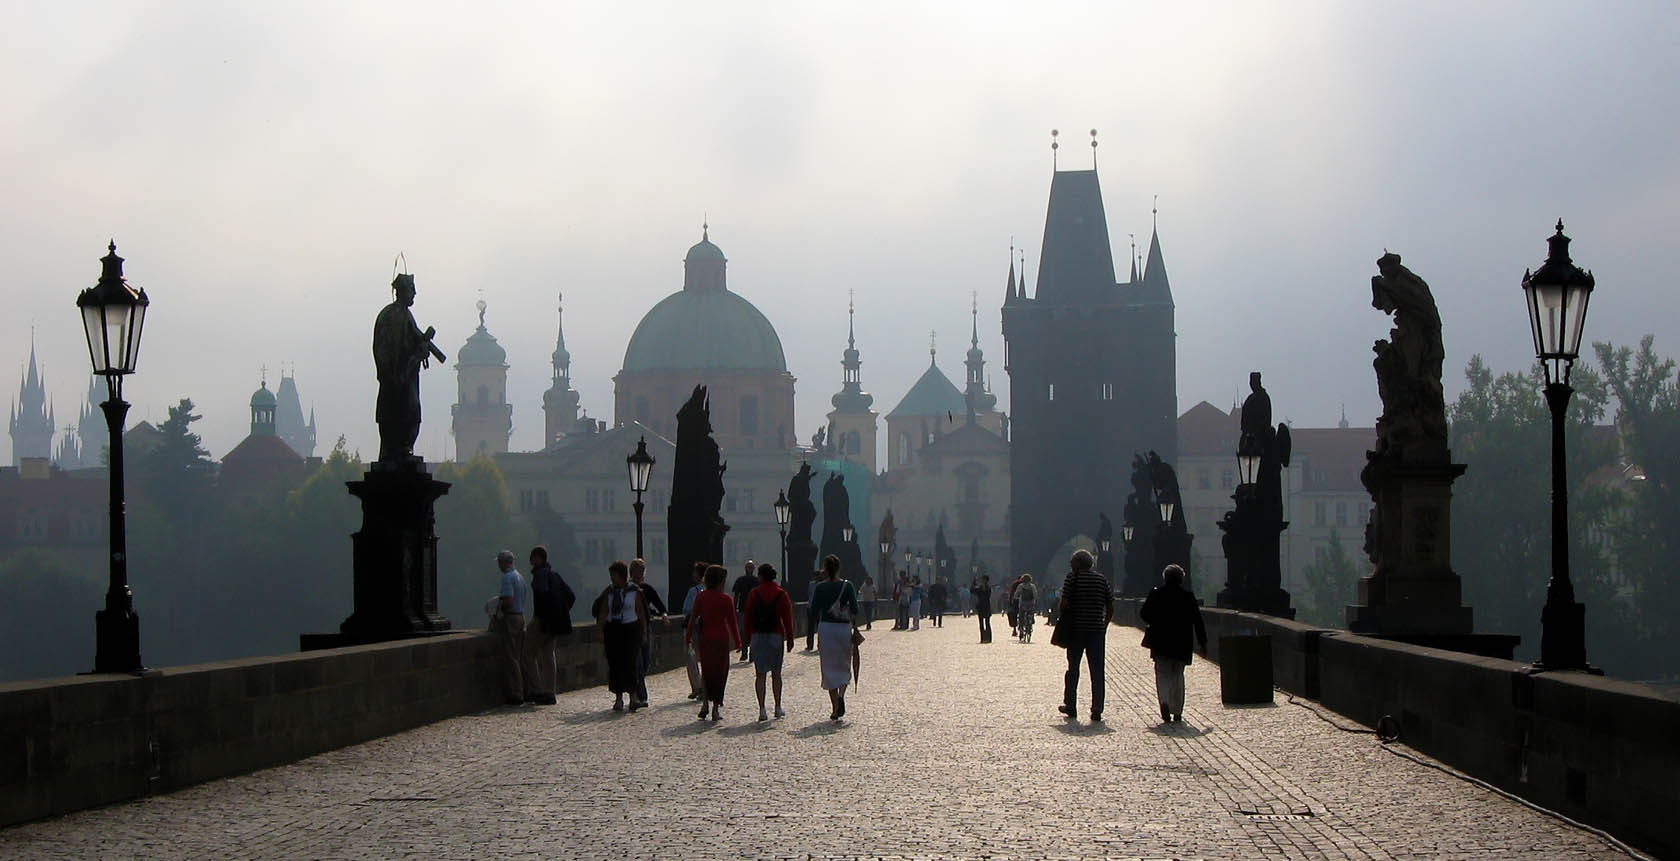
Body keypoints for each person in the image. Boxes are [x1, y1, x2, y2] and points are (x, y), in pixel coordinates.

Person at [1138, 564, 1208, 724]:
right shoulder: (1188, 596)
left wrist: (1155, 622)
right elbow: (1198, 621)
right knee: (1177, 676)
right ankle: (1177, 711)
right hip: (1181, 642)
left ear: (1165, 578)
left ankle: (1164, 701)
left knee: (1162, 674)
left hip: (1160, 641)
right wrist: (1203, 643)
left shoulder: (1156, 594)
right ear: (1181, 579)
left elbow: (1143, 614)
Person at [1057, 549, 1113, 722]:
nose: (1070, 564)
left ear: (1078, 563)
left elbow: (1064, 603)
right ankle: (1097, 708)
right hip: (1096, 631)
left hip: (1076, 630)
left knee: (1073, 668)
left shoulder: (1072, 578)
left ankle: (1071, 705)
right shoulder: (1101, 580)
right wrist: (1104, 625)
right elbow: (1110, 606)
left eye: (1072, 561)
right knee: (1097, 671)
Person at [807, 554, 860, 720]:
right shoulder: (847, 585)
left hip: (827, 628)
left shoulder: (820, 587)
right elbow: (856, 609)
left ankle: (835, 708)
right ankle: (842, 695)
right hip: (844, 628)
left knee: (829, 667)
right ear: (838, 568)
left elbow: (814, 610)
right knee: (844, 665)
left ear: (825, 568)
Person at [687, 564, 741, 721]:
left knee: (707, 671)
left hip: (706, 639)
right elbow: (732, 623)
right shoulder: (726, 599)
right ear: (720, 582)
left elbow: (693, 618)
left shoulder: (701, 597)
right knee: (720, 673)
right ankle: (716, 708)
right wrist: (738, 642)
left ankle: (705, 703)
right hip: (721, 640)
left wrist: (688, 635)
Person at [741, 563, 795, 721]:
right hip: (775, 635)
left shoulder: (754, 593)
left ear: (761, 576)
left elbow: (748, 617)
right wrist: (790, 638)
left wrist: (747, 637)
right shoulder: (781, 593)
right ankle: (778, 707)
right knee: (776, 674)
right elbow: (787, 618)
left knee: (760, 674)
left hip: (758, 635)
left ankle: (762, 709)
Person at [594, 561, 647, 712]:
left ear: (622, 576)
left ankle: (633, 697)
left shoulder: (634, 591)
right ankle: (618, 698)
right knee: (615, 664)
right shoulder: (609, 592)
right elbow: (604, 611)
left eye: (614, 575)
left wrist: (644, 632)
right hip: (613, 629)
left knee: (630, 662)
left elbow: (640, 612)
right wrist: (600, 630)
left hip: (630, 628)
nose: (612, 579)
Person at [527, 545, 574, 705]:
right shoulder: (555, 575)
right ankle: (550, 691)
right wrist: (560, 613)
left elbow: (542, 596)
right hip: (555, 623)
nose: (530, 562)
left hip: (542, 622)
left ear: (538, 558)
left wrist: (541, 617)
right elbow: (571, 596)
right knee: (548, 655)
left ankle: (537, 690)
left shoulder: (540, 575)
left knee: (528, 655)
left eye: (532, 558)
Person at [492, 550, 530, 705]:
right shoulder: (520, 577)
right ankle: (525, 690)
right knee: (519, 656)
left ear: (503, 562)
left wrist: (499, 608)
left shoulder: (507, 578)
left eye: (499, 562)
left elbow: (508, 601)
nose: (498, 565)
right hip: (521, 616)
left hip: (511, 618)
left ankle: (516, 693)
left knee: (511, 657)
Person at [629, 558, 667, 709]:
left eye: (641, 572)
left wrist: (662, 614)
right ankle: (641, 696)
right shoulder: (627, 589)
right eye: (637, 572)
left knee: (645, 662)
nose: (640, 575)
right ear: (632, 573)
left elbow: (660, 606)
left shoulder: (647, 589)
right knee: (638, 663)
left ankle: (635, 691)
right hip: (631, 629)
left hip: (646, 629)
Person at [680, 561, 706, 699]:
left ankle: (697, 687)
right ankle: (706, 685)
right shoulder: (711, 590)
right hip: (706, 626)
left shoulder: (693, 591)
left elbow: (686, 609)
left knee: (692, 658)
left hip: (693, 626)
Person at [732, 560, 757, 661]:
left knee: (746, 632)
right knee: (745, 632)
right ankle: (747, 653)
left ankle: (748, 653)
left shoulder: (741, 580)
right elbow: (736, 596)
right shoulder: (756, 581)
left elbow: (736, 595)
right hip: (746, 609)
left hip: (750, 610)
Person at [1014, 573, 1037, 644]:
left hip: (1023, 604)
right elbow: (1035, 594)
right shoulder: (1032, 586)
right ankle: (1031, 621)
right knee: (1030, 613)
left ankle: (1021, 629)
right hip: (1031, 604)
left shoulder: (1020, 586)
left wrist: (1016, 598)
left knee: (1021, 616)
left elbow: (1016, 594)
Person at [970, 576, 993, 643]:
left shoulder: (988, 588)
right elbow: (972, 591)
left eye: (983, 580)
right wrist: (973, 583)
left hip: (986, 607)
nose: (982, 581)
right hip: (980, 608)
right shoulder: (980, 588)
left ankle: (989, 638)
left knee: (987, 623)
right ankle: (982, 638)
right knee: (981, 624)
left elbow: (987, 595)